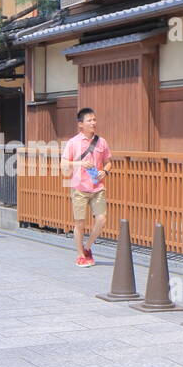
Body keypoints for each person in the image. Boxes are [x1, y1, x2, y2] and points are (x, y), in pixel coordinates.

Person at [61, 107, 111, 268]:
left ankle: (88, 247)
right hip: (79, 188)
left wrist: (105, 171)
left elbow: (108, 162)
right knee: (80, 224)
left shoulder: (101, 142)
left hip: (97, 187)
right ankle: (80, 255)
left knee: (102, 219)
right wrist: (80, 163)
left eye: (94, 120)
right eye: (89, 120)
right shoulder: (73, 142)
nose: (93, 123)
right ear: (80, 124)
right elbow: (63, 164)